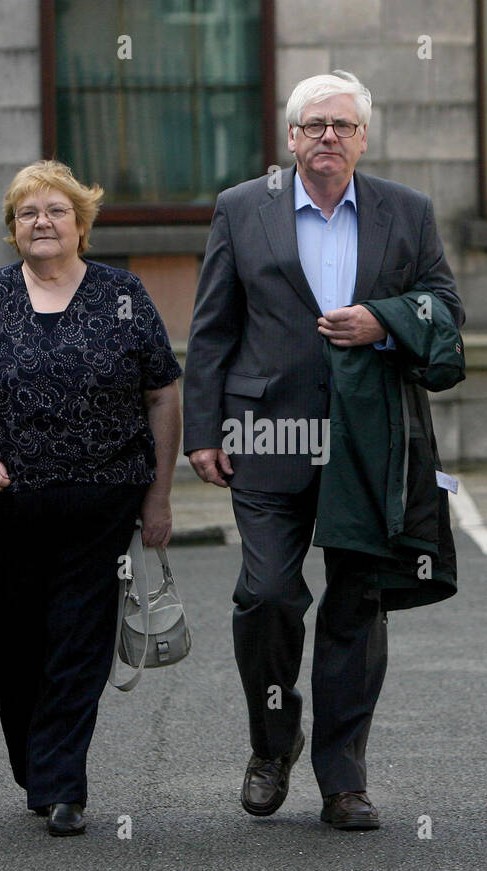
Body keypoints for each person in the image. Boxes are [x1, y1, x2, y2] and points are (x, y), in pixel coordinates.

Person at [183, 71, 464, 831]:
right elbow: (212, 326)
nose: (328, 136)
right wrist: (201, 430)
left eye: (342, 125)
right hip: (267, 435)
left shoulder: (406, 211)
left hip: (368, 442)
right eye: (314, 125)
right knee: (267, 594)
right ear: (292, 137)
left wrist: (383, 320)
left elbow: (445, 307)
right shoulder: (242, 209)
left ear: (363, 137)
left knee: (356, 606)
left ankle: (343, 778)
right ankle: (272, 745)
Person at [0, 160, 182, 837]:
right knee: (9, 642)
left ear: (81, 224)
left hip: (100, 500)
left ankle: (63, 785)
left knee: (77, 640)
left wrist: (158, 499)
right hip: (0, 504)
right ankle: (37, 762)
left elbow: (161, 393)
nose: (42, 222)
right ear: (13, 229)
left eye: (56, 211)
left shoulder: (123, 294)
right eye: (28, 213)